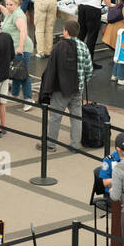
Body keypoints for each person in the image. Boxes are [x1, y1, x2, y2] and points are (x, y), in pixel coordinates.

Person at [41, 18, 91, 150]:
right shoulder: (83, 46)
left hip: (61, 90)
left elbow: (52, 69)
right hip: (78, 89)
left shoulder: (59, 47)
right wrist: (82, 81)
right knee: (76, 117)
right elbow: (89, 69)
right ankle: (74, 144)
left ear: (66, 31)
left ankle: (50, 144)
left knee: (55, 117)